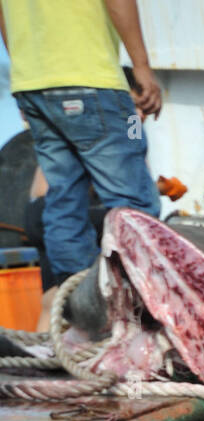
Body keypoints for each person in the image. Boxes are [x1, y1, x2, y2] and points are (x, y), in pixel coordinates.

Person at [0, 0, 161, 283]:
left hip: (32, 84)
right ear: (133, 95)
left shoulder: (130, 119)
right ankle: (142, 286)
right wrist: (142, 69)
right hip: (88, 77)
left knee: (64, 203)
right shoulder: (130, 119)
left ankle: (75, 290)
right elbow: (134, 167)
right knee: (134, 204)